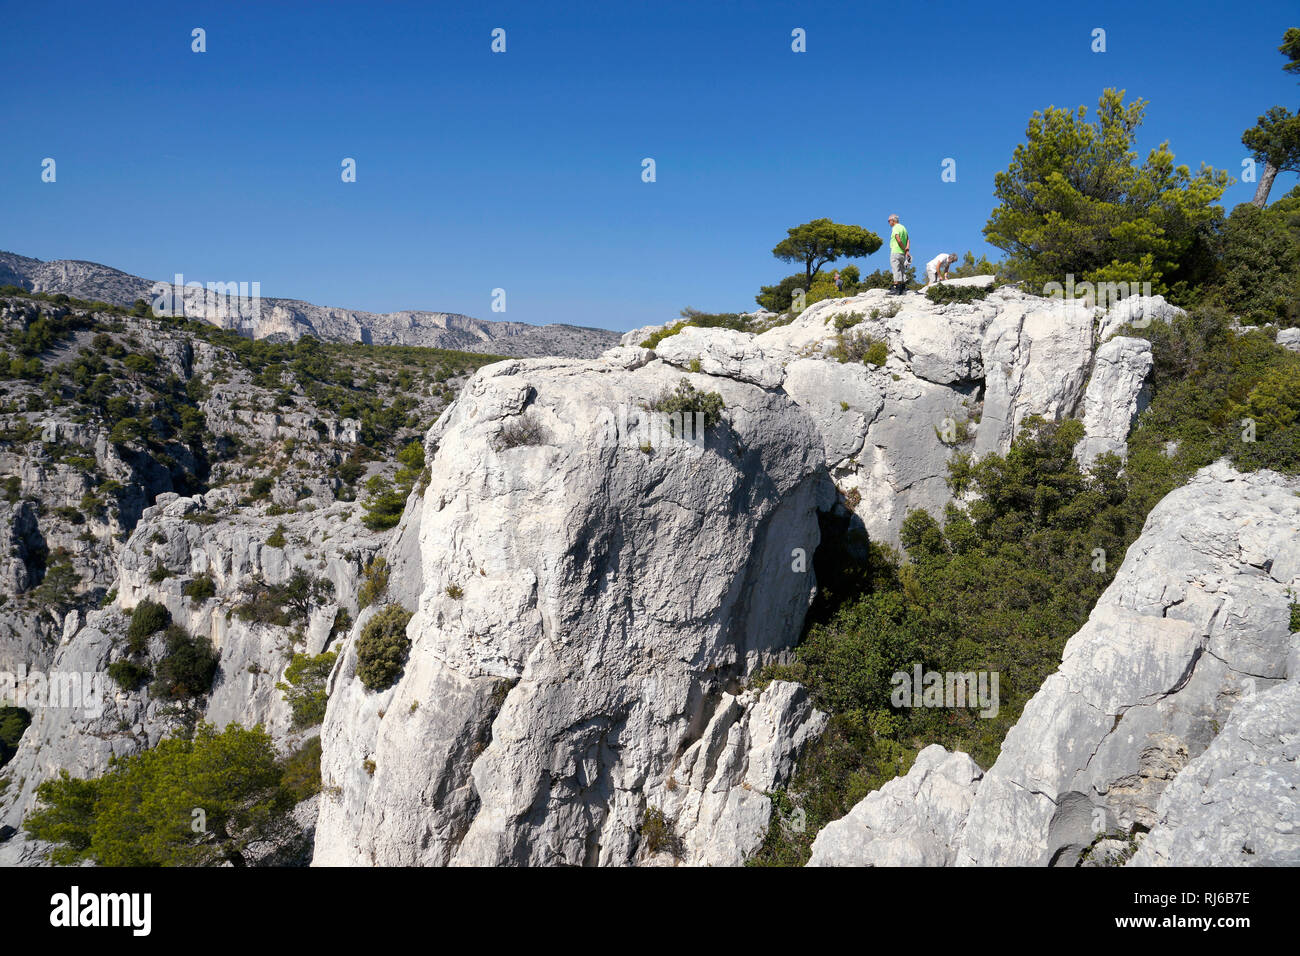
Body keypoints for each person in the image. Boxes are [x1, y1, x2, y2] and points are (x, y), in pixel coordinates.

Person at [887, 214, 909, 295]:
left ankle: (896, 288)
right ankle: (903, 287)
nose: (889, 222)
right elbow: (908, 240)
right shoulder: (903, 228)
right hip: (902, 253)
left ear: (893, 220)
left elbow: (898, 239)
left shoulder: (895, 228)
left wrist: (903, 248)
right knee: (902, 269)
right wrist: (906, 250)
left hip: (896, 251)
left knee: (896, 269)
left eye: (889, 221)